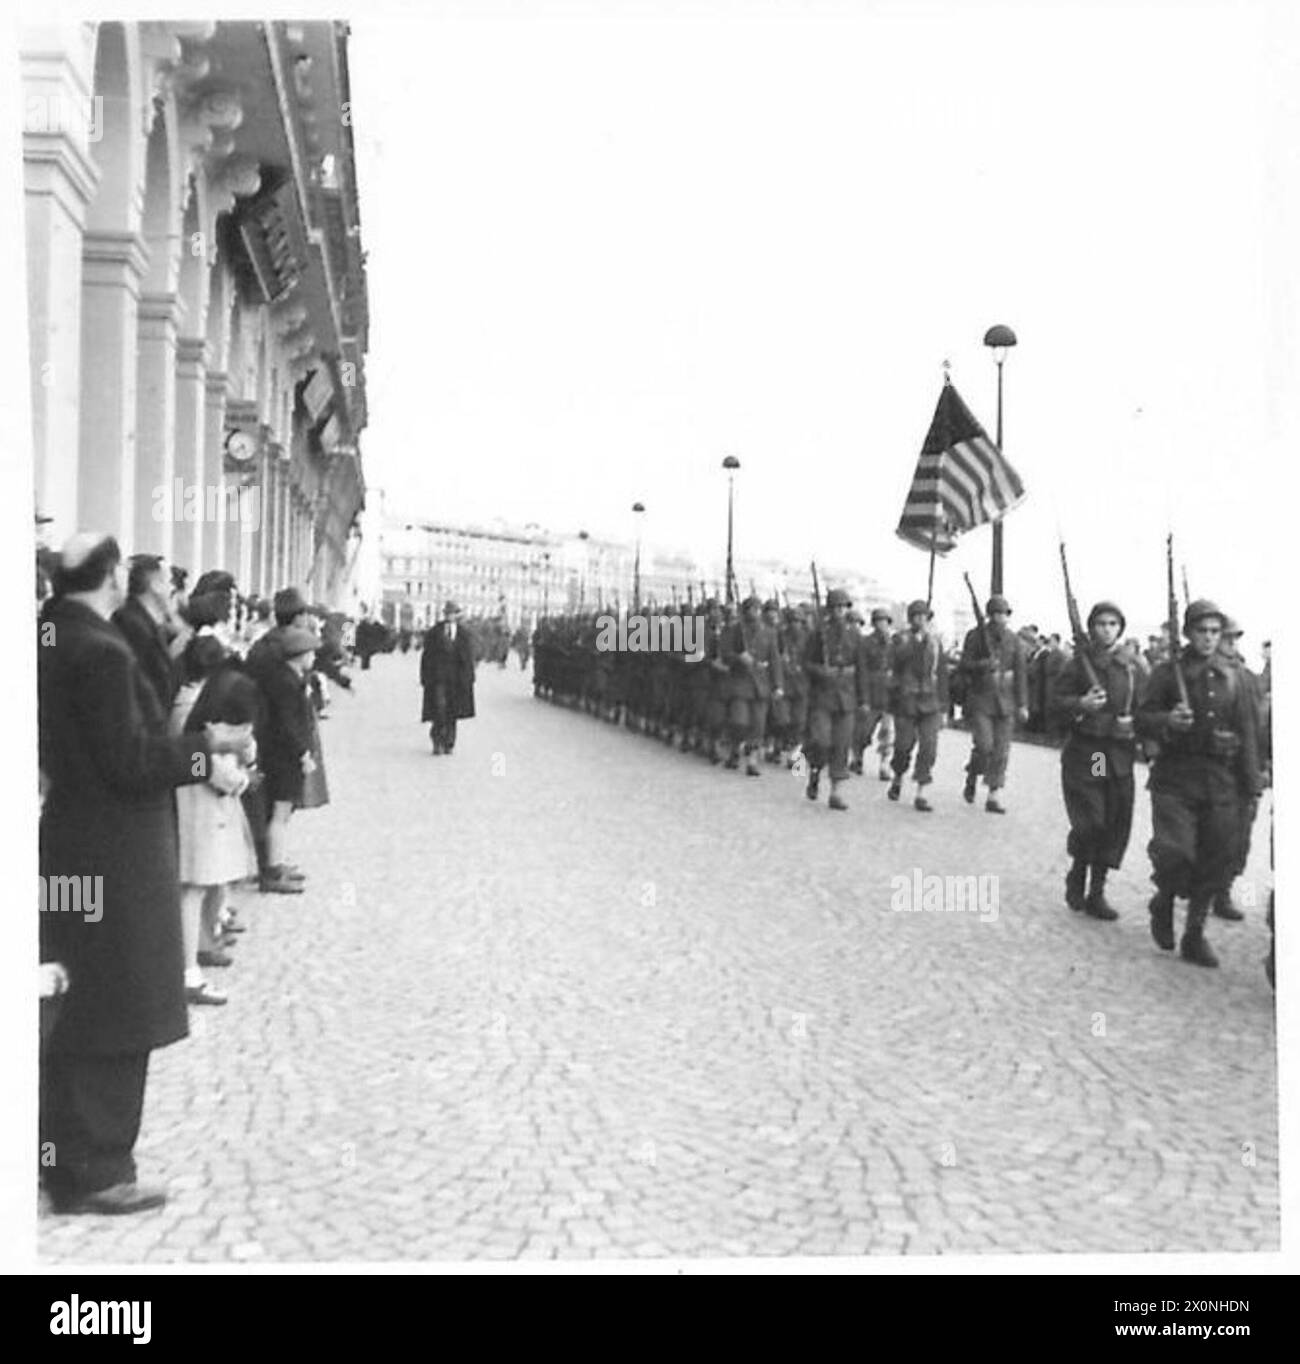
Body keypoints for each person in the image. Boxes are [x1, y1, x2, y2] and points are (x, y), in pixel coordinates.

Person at [39, 533, 253, 1215]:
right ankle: (97, 1171)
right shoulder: (101, 652)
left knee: (70, 994)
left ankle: (56, 1153)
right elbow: (130, 760)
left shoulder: (47, 635)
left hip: (65, 843)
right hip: (115, 852)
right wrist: (204, 751)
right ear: (111, 577)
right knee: (119, 1003)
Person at [1137, 599, 1262, 968]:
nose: (1208, 638)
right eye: (1201, 631)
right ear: (1188, 633)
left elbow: (1249, 733)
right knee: (1174, 852)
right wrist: (1168, 721)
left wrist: (1251, 784)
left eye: (1214, 631)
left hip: (1221, 781)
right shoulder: (1167, 673)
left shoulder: (1236, 679)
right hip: (1175, 778)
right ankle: (1163, 899)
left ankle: (1194, 934)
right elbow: (1142, 717)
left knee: (1214, 859)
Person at [170, 635, 259, 1005]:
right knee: (194, 887)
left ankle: (200, 948)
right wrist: (240, 779)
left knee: (202, 885)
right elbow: (202, 764)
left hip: (205, 809)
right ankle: (188, 969)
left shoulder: (197, 706)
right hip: (201, 810)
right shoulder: (199, 723)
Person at [1051, 601, 1141, 921]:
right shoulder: (1078, 663)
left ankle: (1097, 892)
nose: (1107, 630)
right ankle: (1078, 872)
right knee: (1094, 819)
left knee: (1113, 823)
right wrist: (1081, 703)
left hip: (1119, 752)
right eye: (1101, 624)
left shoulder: (1131, 666)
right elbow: (1055, 702)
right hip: (1094, 753)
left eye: (1113, 624)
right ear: (1091, 628)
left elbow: (1146, 704)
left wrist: (1134, 724)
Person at [252, 624, 320, 893]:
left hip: (278, 754)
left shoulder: (285, 678)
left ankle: (276, 862)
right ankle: (273, 869)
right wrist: (303, 753)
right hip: (284, 757)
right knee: (280, 813)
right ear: (299, 655)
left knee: (281, 813)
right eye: (311, 653)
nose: (314, 657)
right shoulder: (288, 684)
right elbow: (288, 724)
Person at [959, 594, 1029, 813]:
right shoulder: (975, 636)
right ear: (989, 615)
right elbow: (964, 664)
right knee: (984, 746)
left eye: (1004, 614)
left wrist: (1022, 704)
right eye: (996, 614)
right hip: (981, 698)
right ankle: (973, 772)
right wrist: (983, 664)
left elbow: (1021, 674)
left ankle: (993, 794)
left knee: (1001, 750)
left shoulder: (1014, 640)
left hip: (1006, 700)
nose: (1000, 618)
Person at [802, 587, 867, 811]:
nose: (840, 611)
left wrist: (864, 700)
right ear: (829, 609)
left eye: (843, 607)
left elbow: (861, 670)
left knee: (842, 744)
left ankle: (836, 792)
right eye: (836, 607)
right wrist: (821, 671)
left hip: (846, 697)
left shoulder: (855, 636)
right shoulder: (818, 633)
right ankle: (814, 770)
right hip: (822, 696)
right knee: (820, 741)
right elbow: (806, 663)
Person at [887, 600, 948, 812]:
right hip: (907, 700)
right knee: (903, 745)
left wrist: (944, 707)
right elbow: (896, 662)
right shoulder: (900, 639)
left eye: (924, 617)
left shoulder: (935, 642)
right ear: (910, 618)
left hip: (930, 701)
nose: (921, 620)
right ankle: (897, 775)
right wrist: (914, 643)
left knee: (929, 747)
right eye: (917, 616)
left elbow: (942, 675)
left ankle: (922, 791)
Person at [720, 595, 784, 775]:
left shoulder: (769, 633)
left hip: (761, 684)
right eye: (750, 609)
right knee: (739, 721)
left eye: (757, 609)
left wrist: (778, 685)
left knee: (758, 725)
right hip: (740, 682)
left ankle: (752, 761)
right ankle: (735, 748)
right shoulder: (735, 630)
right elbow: (725, 653)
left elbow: (775, 660)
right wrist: (739, 658)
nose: (754, 613)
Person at [112, 554, 179, 714]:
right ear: (155, 585)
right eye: (169, 581)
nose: (172, 588)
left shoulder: (149, 624)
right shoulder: (133, 625)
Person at [420, 600, 477, 754]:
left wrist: (470, 677)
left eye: (452, 613)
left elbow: (468, 657)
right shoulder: (434, 632)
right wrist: (424, 677)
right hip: (438, 678)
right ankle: (437, 739)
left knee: (453, 711)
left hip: (457, 679)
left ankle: (449, 742)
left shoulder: (463, 634)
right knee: (439, 708)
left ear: (456, 615)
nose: (449, 616)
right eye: (447, 613)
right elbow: (426, 656)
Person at [852, 607, 895, 779]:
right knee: (863, 732)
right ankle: (857, 758)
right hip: (870, 693)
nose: (881, 625)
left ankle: (884, 765)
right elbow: (861, 671)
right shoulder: (865, 643)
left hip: (888, 696)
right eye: (878, 621)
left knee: (887, 733)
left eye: (884, 621)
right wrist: (863, 699)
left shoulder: (894, 644)